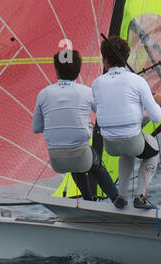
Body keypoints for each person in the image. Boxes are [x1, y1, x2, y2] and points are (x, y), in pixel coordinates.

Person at [32, 49, 126, 207]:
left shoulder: (43, 94)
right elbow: (105, 116)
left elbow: (36, 127)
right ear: (78, 70)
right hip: (81, 156)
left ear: (56, 70)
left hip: (57, 161)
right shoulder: (87, 92)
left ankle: (89, 200)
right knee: (92, 159)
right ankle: (116, 198)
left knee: (77, 158)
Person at [92, 34, 161, 210]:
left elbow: (99, 109)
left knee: (127, 150)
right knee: (153, 149)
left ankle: (122, 197)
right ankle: (140, 197)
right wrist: (156, 102)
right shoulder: (137, 81)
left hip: (110, 144)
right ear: (126, 58)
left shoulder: (96, 83)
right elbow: (156, 117)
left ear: (105, 59)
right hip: (132, 140)